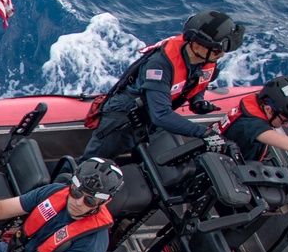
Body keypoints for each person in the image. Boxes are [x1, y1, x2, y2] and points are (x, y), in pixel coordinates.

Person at [82, 10, 244, 161]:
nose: (221, 55)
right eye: (217, 51)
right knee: (93, 162)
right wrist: (205, 133)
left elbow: (196, 83)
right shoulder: (159, 65)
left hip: (151, 122)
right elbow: (161, 114)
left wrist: (197, 102)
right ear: (196, 45)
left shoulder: (205, 59)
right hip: (123, 120)